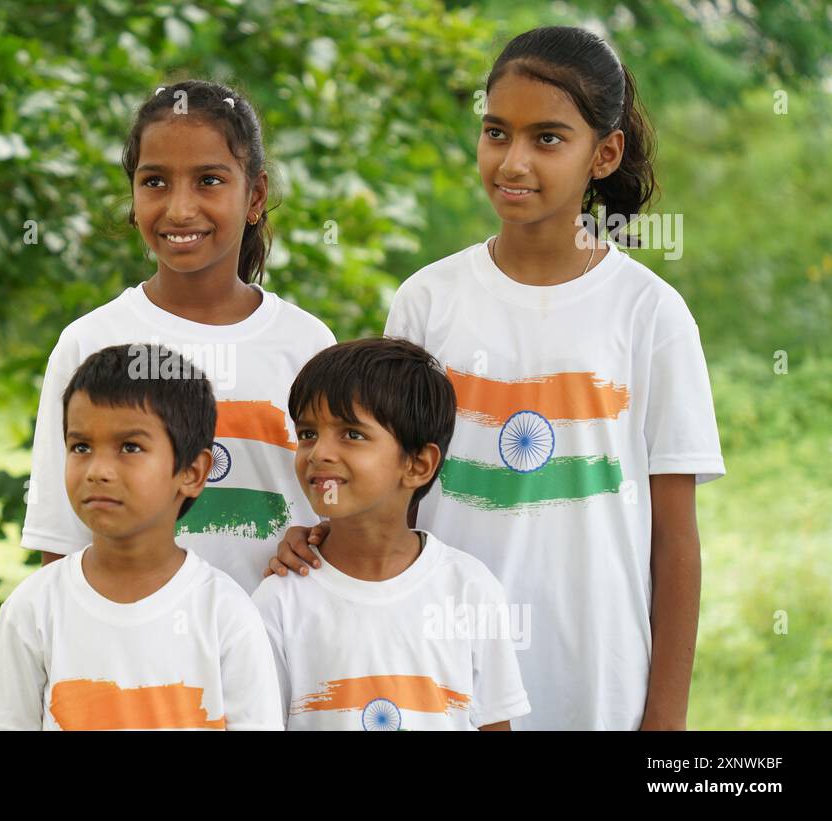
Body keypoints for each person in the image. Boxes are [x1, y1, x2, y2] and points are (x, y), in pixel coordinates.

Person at [270, 26, 725, 730]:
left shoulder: (650, 314)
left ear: (604, 153)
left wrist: (665, 715)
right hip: (446, 665)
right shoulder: (428, 300)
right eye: (496, 132)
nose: (512, 161)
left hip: (596, 676)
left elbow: (675, 537)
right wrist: (321, 534)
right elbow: (392, 479)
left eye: (547, 138)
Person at [21, 79, 335, 594]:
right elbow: (60, 549)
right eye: (155, 182)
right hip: (141, 662)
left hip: (279, 656)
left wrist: (318, 537)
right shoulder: (90, 343)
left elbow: (341, 511)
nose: (179, 209)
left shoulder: (307, 344)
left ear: (254, 195)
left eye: (209, 180)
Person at [0, 344, 283, 730]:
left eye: (130, 447)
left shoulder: (226, 616)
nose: (97, 471)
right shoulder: (34, 610)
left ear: (192, 472)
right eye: (81, 446)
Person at [254, 338, 529, 730]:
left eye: (351, 434)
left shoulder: (470, 590)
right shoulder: (279, 600)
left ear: (418, 464)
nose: (319, 453)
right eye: (308, 433)